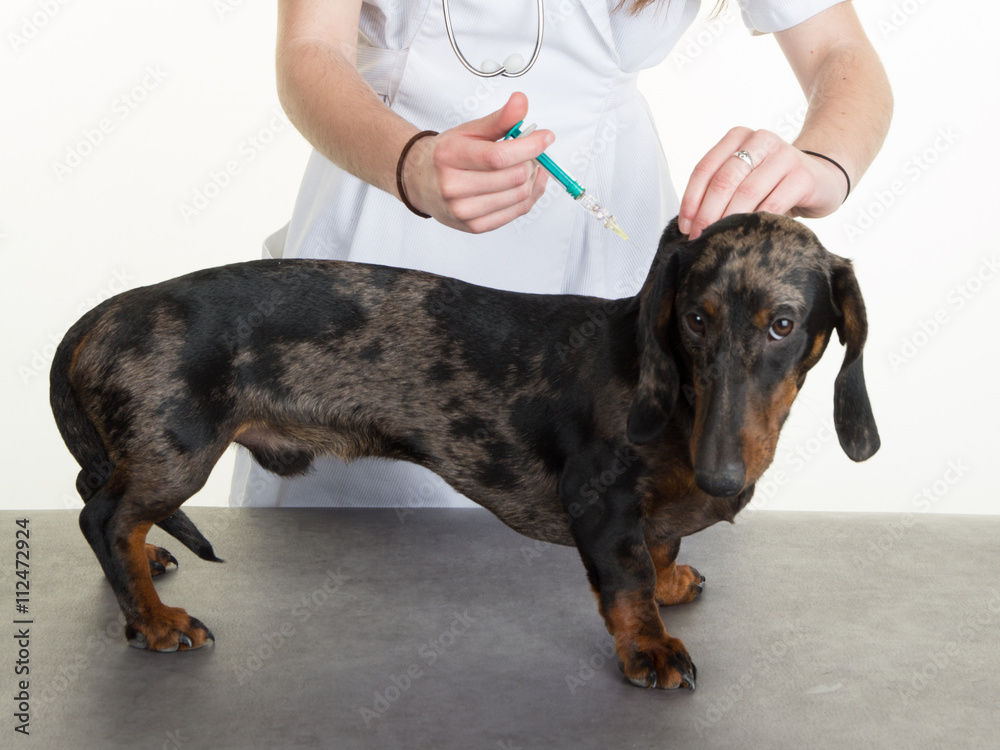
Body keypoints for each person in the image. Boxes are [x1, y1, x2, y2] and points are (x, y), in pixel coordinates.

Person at [230, 0, 892, 508]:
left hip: (608, 264)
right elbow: (310, 54)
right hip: (385, 237)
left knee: (615, 553)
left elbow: (840, 51)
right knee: (352, 593)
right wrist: (413, 165)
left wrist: (821, 163)